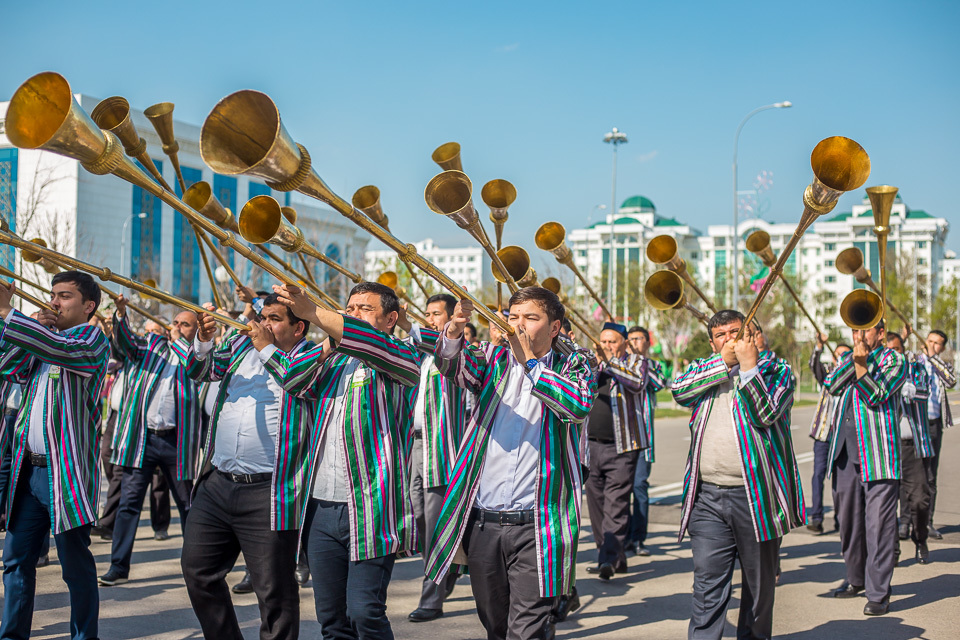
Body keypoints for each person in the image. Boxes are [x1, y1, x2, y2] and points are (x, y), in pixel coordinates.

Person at [425, 287, 597, 640]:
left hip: (538, 525)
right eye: (513, 318)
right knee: (495, 625)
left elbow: (576, 406)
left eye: (531, 318)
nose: (518, 326)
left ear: (554, 328)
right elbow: (449, 365)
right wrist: (456, 328)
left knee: (527, 629)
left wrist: (530, 363)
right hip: (484, 522)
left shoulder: (575, 363)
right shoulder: (491, 356)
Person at [272, 281, 421, 639]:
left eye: (364, 310)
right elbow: (291, 379)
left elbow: (372, 344)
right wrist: (327, 341)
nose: (351, 315)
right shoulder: (333, 359)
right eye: (349, 309)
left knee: (364, 612)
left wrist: (314, 314)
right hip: (322, 509)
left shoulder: (401, 356)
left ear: (390, 319)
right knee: (332, 620)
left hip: (371, 508)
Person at [173, 291, 314, 640]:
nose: (263, 324)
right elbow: (200, 371)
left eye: (275, 319)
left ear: (299, 328)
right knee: (197, 570)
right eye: (263, 317)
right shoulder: (239, 346)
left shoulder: (310, 356)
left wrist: (266, 347)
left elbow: (296, 381)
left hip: (270, 489)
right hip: (218, 481)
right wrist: (203, 342)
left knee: (274, 591)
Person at [672, 309, 803, 640]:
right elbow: (679, 390)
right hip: (707, 499)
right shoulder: (706, 369)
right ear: (713, 342)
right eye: (720, 336)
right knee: (706, 589)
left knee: (758, 592)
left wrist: (748, 368)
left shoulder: (778, 371)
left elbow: (767, 412)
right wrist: (724, 364)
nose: (729, 339)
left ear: (755, 335)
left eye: (736, 332)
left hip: (756, 498)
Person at [0, 272, 109, 640]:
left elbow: (62, 351)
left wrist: (7, 311)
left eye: (63, 296)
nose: (53, 302)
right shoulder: (43, 338)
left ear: (88, 306)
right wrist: (26, 324)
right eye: (52, 295)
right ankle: (12, 635)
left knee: (74, 566)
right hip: (28, 472)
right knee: (15, 561)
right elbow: (7, 366)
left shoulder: (92, 338)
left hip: (65, 475)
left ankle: (84, 637)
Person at [98, 302, 201, 586]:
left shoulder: (198, 356)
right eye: (176, 323)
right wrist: (121, 314)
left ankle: (197, 568)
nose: (178, 328)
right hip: (142, 439)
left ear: (195, 331)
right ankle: (118, 566)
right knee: (129, 504)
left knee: (187, 506)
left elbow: (197, 367)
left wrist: (182, 342)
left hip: (176, 443)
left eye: (185, 325)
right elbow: (125, 343)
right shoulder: (151, 346)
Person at [824, 319, 905, 616]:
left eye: (864, 330)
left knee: (878, 527)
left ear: (880, 333)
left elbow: (877, 394)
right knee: (848, 522)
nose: (858, 336)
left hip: (878, 456)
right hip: (845, 452)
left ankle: (878, 592)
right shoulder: (850, 357)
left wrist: (861, 368)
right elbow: (831, 385)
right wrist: (855, 361)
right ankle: (855, 579)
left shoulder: (895, 359)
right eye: (855, 331)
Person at [397, 294, 467, 623]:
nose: (430, 319)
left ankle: (431, 599)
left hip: (442, 450)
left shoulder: (455, 353)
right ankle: (453, 565)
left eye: (436, 314)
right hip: (417, 447)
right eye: (426, 314)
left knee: (436, 529)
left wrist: (406, 322)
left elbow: (440, 345)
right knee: (421, 522)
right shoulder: (422, 355)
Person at [585, 322, 657, 582]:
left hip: (623, 446)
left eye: (612, 342)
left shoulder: (637, 362)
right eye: (603, 342)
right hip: (591, 445)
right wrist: (596, 363)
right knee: (596, 504)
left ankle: (607, 560)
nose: (606, 346)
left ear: (624, 343)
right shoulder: (594, 363)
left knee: (616, 503)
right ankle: (615, 557)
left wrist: (609, 363)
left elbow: (637, 383)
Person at [886, 332, 935, 564]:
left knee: (919, 500)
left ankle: (920, 538)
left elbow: (925, 393)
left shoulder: (915, 368)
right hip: (887, 446)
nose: (892, 355)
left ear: (903, 349)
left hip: (912, 445)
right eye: (888, 350)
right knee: (886, 502)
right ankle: (892, 550)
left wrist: (908, 387)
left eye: (896, 349)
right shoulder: (880, 370)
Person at [625, 325, 665, 557]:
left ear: (647, 342)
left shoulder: (653, 366)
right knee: (621, 489)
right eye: (629, 339)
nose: (632, 343)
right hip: (622, 437)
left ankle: (638, 538)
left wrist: (640, 360)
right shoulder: (622, 363)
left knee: (639, 487)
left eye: (637, 339)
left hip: (643, 438)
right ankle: (623, 537)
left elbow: (659, 384)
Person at [913, 329, 955, 540]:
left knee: (930, 475)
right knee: (911, 474)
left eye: (937, 343)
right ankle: (908, 521)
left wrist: (933, 358)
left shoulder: (942, 365)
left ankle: (927, 522)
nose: (932, 345)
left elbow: (950, 381)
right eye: (930, 341)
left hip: (934, 425)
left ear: (943, 347)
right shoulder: (915, 361)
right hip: (915, 423)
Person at [807, 334, 852, 534]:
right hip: (823, 434)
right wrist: (819, 346)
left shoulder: (852, 374)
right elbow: (814, 366)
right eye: (837, 355)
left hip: (842, 436)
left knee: (839, 478)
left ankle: (840, 517)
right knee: (817, 475)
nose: (840, 358)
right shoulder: (828, 373)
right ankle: (816, 518)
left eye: (845, 355)